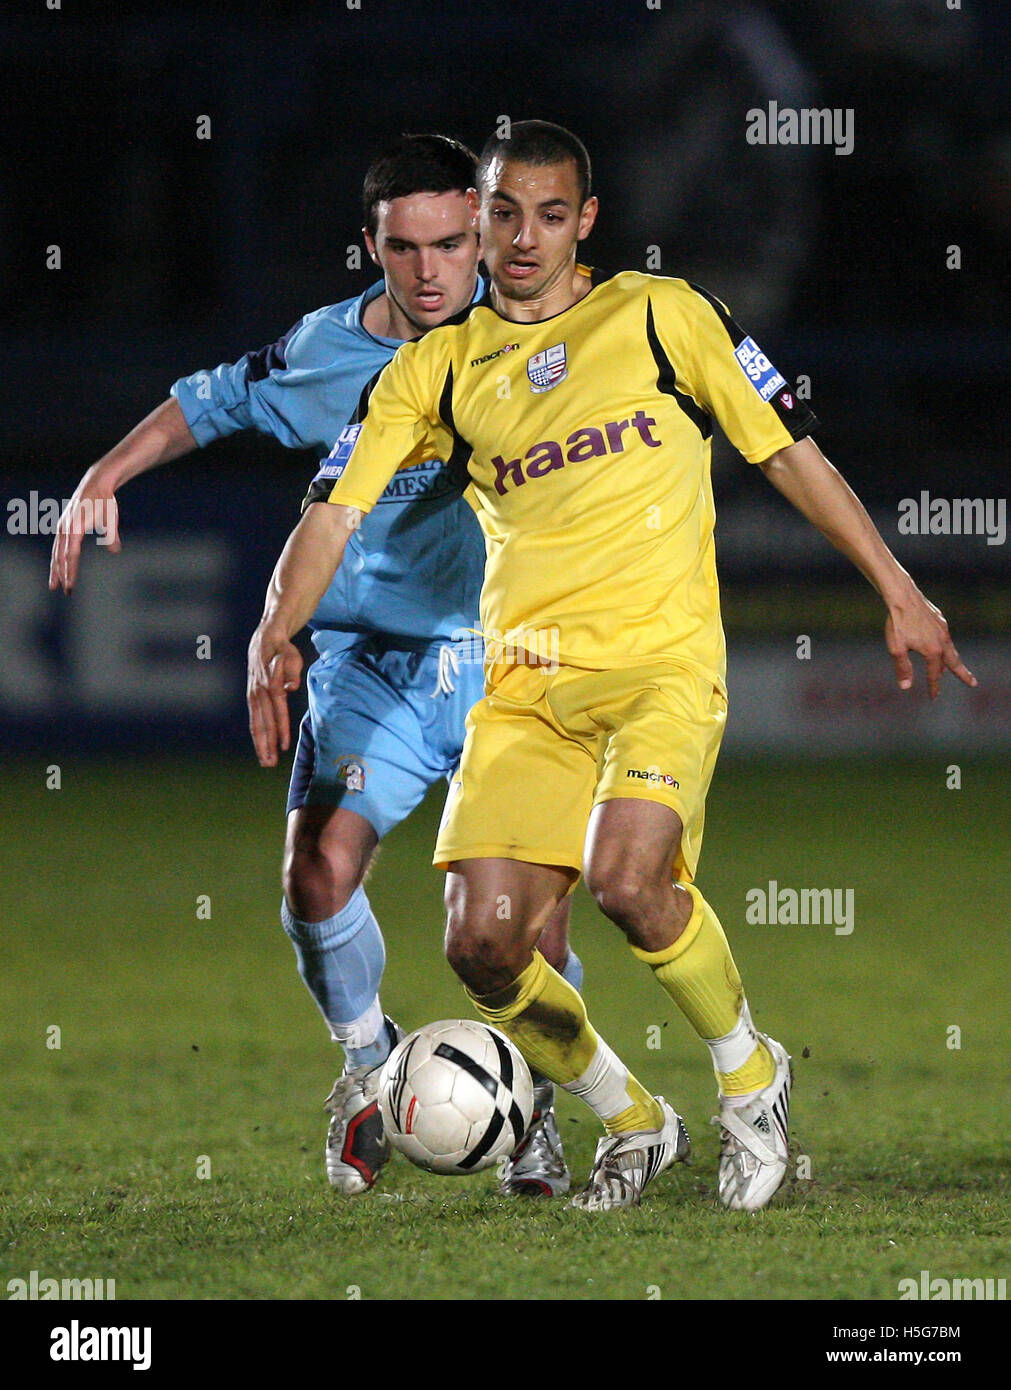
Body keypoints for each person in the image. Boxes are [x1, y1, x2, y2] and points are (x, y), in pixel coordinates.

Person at [246, 121, 977, 1212]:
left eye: (550, 215)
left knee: (634, 882)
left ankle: (749, 1077)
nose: (523, 239)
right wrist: (275, 629)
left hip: (660, 665)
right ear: (478, 218)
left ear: (587, 221)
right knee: (485, 946)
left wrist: (897, 587)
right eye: (503, 215)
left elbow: (787, 449)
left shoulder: (662, 316)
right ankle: (635, 1117)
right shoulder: (434, 369)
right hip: (528, 689)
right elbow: (332, 511)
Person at [48, 133, 578, 1200]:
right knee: (316, 875)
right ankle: (367, 1072)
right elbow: (212, 400)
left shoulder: (549, 339)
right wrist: (105, 470)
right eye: (403, 248)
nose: (431, 271)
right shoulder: (328, 352)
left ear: (485, 234)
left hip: (511, 661)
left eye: (451, 243)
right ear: (371, 248)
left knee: (518, 929)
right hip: (372, 660)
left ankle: (533, 1113)